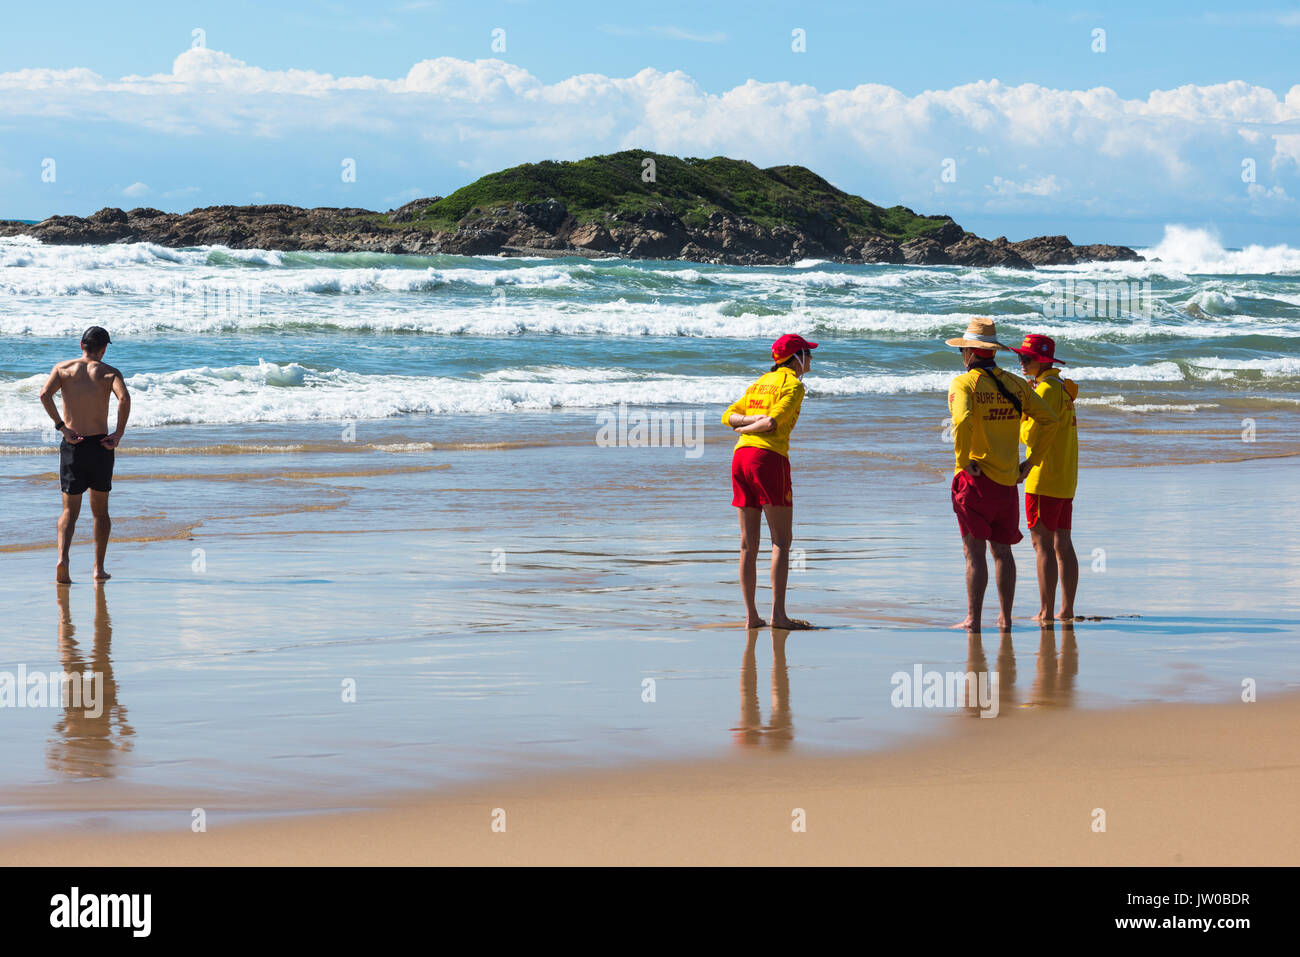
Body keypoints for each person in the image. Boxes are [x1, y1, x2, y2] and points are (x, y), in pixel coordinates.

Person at [945, 318, 1057, 632]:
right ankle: (1006, 619)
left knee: (973, 552)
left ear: (968, 352)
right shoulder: (1016, 383)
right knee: (1003, 552)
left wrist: (963, 460)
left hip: (976, 481)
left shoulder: (963, 383)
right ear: (990, 351)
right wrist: (1031, 461)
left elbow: (963, 419)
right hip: (1008, 481)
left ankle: (973, 620)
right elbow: (1049, 420)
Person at [722, 334, 816, 630]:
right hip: (768, 459)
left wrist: (745, 425)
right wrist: (758, 423)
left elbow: (728, 416)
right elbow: (773, 422)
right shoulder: (793, 385)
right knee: (782, 542)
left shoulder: (759, 383)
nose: (812, 360)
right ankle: (778, 616)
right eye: (808, 354)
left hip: (740, 458)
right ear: (797, 357)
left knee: (748, 544)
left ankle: (751, 617)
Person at [39, 326, 131, 584]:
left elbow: (45, 395)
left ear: (82, 345)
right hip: (101, 446)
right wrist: (118, 434)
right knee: (100, 512)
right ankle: (98, 568)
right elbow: (124, 399)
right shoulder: (109, 373)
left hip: (73, 444)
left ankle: (63, 559)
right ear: (102, 349)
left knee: (69, 511)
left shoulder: (63, 369)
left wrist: (62, 427)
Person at [1012, 334, 1080, 621]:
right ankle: (1065, 609)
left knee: (1042, 545)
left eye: (1025, 358)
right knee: (1062, 543)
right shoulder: (1062, 387)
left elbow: (1032, 434)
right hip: (1065, 477)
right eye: (1020, 357)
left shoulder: (1044, 392)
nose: (1020, 362)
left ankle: (1046, 611)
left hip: (1043, 476)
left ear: (1041, 360)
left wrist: (1022, 412)